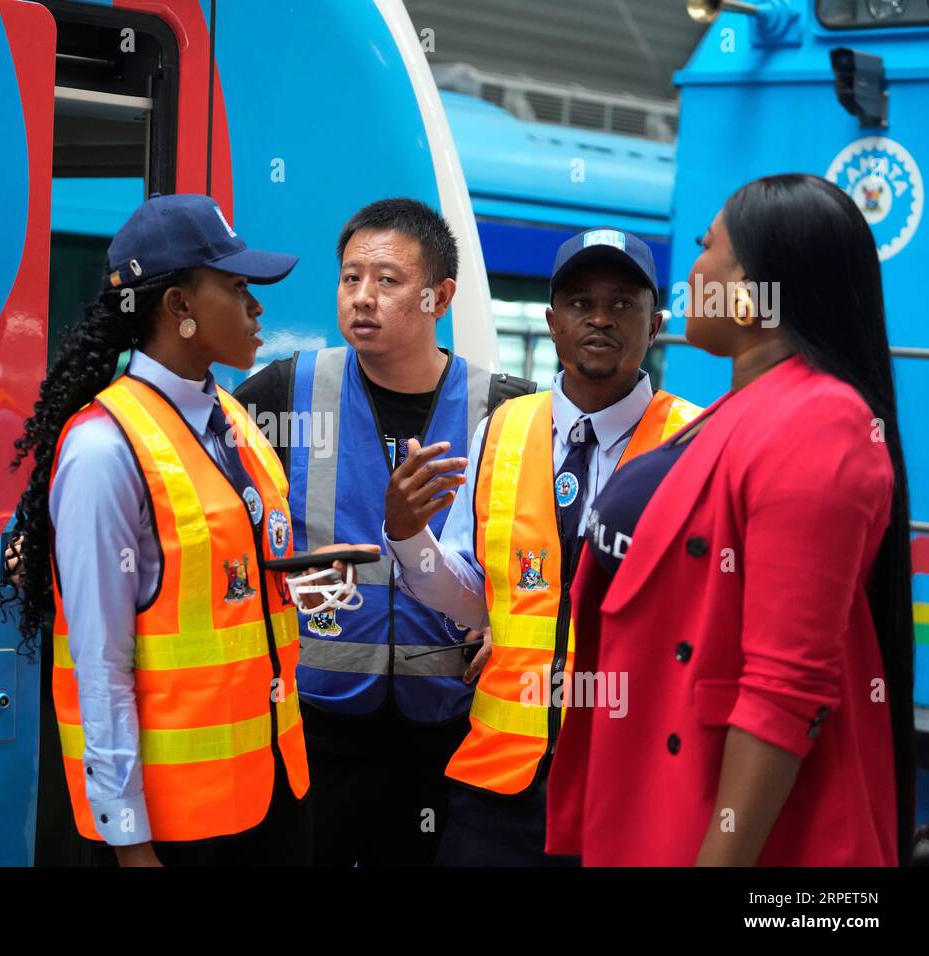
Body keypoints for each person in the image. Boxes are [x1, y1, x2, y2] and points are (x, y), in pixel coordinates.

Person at [546, 174, 915, 866]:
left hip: (743, 834)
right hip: (663, 799)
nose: (693, 268)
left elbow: (784, 689)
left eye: (707, 247)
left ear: (748, 288)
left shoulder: (819, 421)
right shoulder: (738, 412)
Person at [3, 193, 370, 866]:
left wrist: (301, 582)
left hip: (275, 792)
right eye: (237, 288)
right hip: (177, 830)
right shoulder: (103, 449)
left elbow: (216, 587)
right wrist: (128, 840)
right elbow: (101, 665)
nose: (257, 307)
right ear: (179, 308)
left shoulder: (229, 419)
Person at [384, 227, 702, 866]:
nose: (601, 319)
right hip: (498, 783)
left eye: (622, 303)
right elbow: (475, 603)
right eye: (581, 303)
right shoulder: (501, 430)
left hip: (631, 783)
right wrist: (406, 534)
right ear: (553, 322)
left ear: (656, 322)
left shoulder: (694, 443)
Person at [234, 198, 532, 865]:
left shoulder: (509, 410)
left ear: (440, 296)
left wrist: (501, 622)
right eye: (350, 279)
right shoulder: (288, 392)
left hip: (453, 729)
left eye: (388, 281)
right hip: (317, 725)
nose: (363, 297)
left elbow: (541, 559)